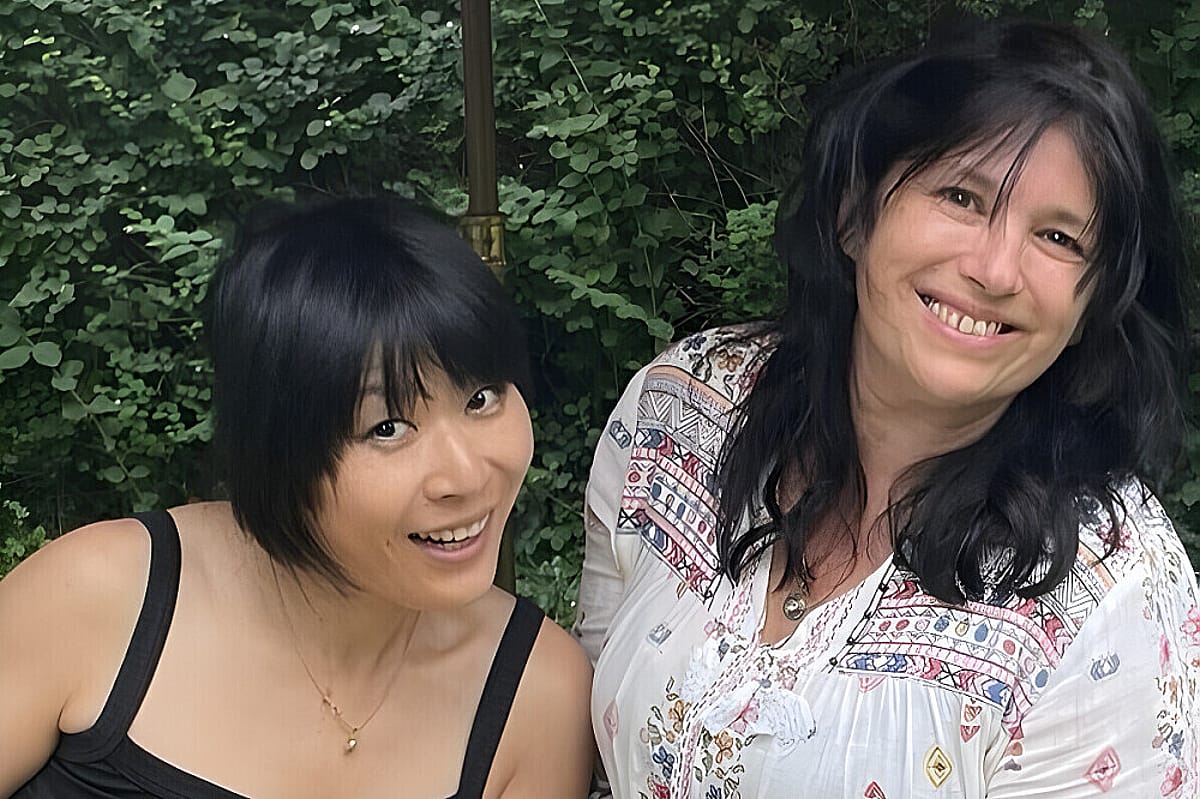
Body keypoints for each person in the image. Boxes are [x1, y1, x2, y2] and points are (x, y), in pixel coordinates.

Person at [574, 19, 1199, 798]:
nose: (995, 269)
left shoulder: (1109, 596)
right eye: (962, 196)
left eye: (1058, 237)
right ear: (853, 215)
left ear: (1095, 303)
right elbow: (586, 738)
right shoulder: (683, 410)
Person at [0, 196, 594, 798]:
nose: (466, 476)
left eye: (482, 399)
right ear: (277, 451)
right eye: (386, 427)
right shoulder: (99, 599)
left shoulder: (536, 698)